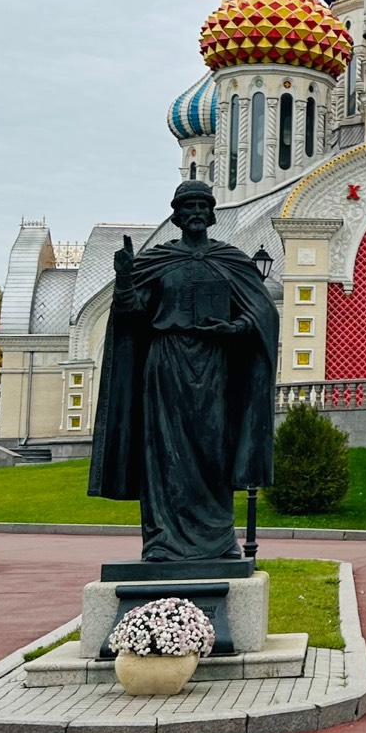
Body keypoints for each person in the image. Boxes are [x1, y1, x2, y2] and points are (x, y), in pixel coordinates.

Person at [88, 182, 278, 560]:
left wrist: (235, 328)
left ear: (211, 214)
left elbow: (263, 313)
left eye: (201, 206)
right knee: (163, 450)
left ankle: (221, 538)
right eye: (187, 206)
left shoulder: (232, 260)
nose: (194, 212)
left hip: (215, 365)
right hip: (167, 362)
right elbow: (131, 316)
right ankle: (161, 541)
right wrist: (125, 277)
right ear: (175, 216)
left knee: (214, 449)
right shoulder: (157, 260)